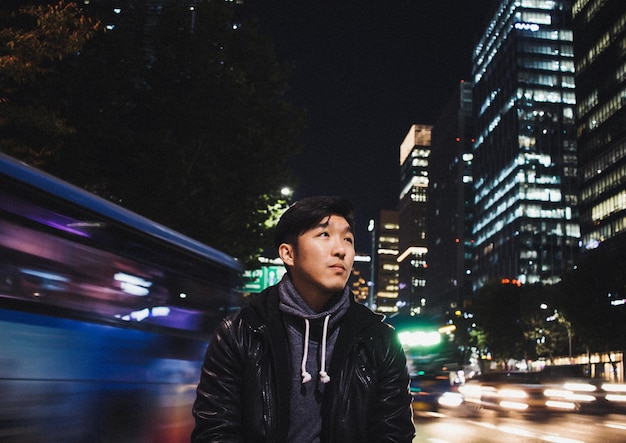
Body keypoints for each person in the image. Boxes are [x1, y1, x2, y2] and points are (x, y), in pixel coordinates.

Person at [191, 196, 415, 442]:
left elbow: (394, 433)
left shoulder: (379, 340)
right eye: (324, 235)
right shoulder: (240, 332)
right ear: (288, 254)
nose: (340, 249)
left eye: (348, 239)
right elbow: (215, 430)